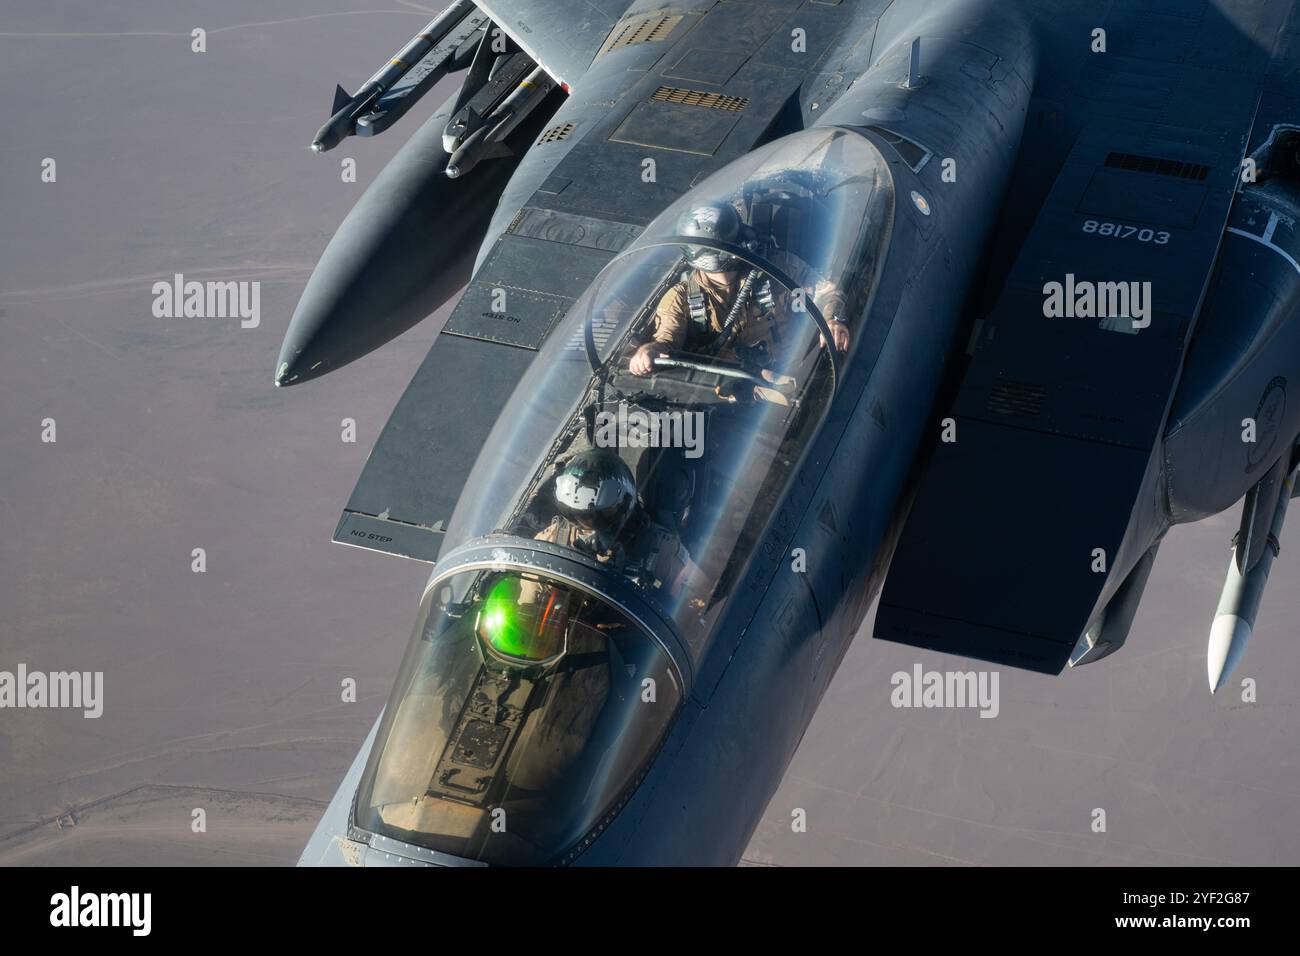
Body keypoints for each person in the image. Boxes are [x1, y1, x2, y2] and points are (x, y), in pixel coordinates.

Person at [628, 202, 851, 383]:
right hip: (728, 388)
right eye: (738, 239)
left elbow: (828, 291)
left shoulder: (777, 267)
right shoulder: (680, 297)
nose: (747, 240)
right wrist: (648, 352)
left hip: (793, 374)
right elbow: (666, 340)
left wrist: (832, 319)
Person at [533, 449, 696, 597]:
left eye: (601, 516)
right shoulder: (552, 541)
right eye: (575, 516)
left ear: (625, 505)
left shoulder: (662, 549)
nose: (587, 526)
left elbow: (697, 600)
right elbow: (525, 603)